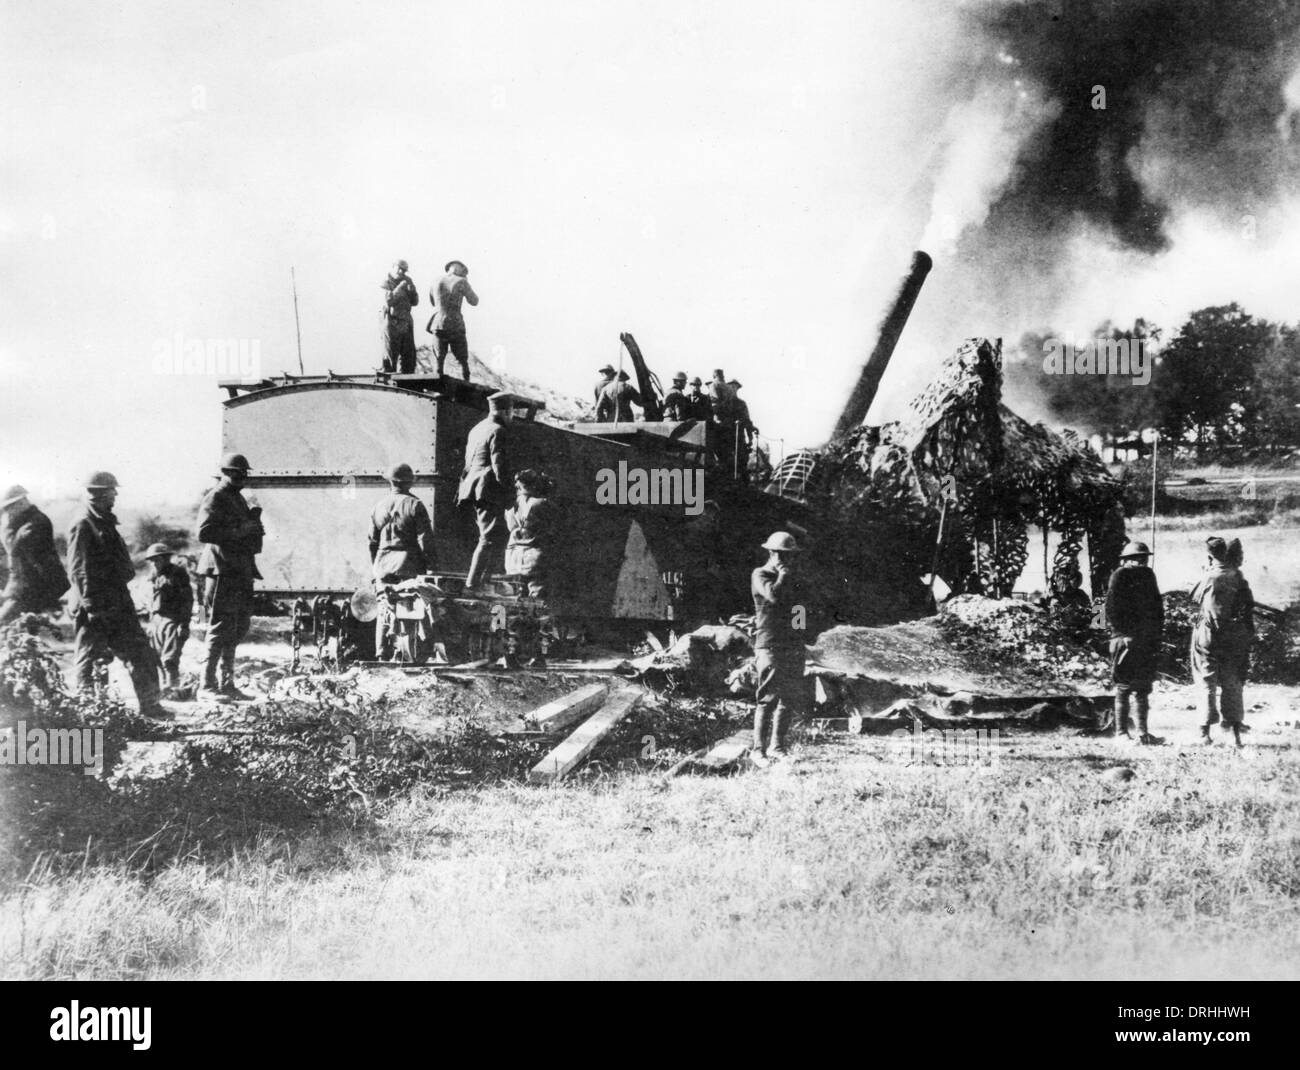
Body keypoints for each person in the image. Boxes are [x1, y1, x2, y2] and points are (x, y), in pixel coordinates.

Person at [67, 472, 169, 718]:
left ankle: (151, 706)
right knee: (93, 661)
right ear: (100, 493)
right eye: (112, 490)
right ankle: (91, 713)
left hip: (117, 602)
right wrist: (93, 609)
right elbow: (79, 571)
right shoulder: (83, 524)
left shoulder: (104, 521)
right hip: (94, 605)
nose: (116, 494)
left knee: (140, 653)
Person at [195, 453, 264, 704]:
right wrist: (241, 530)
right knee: (220, 627)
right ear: (224, 472)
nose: (241, 477)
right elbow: (204, 533)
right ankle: (206, 685)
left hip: (239, 569)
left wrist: (254, 526)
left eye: (243, 474)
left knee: (237, 627)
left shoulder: (237, 499)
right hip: (222, 569)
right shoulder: (216, 497)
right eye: (235, 473)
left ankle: (227, 684)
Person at [750, 531, 810, 766]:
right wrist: (783, 576)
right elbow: (773, 596)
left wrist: (802, 635)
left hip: (792, 645)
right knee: (768, 698)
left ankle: (777, 747)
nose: (787, 560)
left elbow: (799, 610)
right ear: (772, 553)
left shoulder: (792, 578)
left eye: (791, 556)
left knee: (788, 698)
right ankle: (758, 750)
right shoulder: (760, 574)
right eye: (783, 555)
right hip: (770, 644)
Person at [1191, 536, 1255, 746]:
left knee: (1206, 680)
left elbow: (1194, 597)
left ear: (1210, 555)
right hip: (1233, 634)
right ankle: (1233, 731)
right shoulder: (1237, 576)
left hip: (1209, 634)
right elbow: (1248, 604)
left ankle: (1204, 732)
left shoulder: (1209, 576)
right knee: (1232, 681)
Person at [1104, 541, 1163, 744]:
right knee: (1123, 686)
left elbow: (1157, 607)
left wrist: (1156, 635)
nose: (1141, 561)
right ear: (1126, 559)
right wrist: (1125, 634)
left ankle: (1142, 733)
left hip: (1146, 640)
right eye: (1137, 558)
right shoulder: (1119, 576)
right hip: (1124, 639)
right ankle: (1121, 732)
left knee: (1143, 687)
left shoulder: (1148, 576)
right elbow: (1111, 609)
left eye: (1144, 558)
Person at [458, 392, 514, 589]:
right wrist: (511, 493)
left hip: (472, 488)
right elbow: (499, 466)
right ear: (507, 411)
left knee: (491, 534)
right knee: (489, 537)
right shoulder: (499, 430)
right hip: (487, 490)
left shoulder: (476, 429)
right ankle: (473, 583)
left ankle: (485, 578)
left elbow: (467, 464)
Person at [0, 484, 69, 624]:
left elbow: (17, 550)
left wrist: (6, 527)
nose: (8, 511)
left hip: (31, 588)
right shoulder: (21, 522)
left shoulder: (36, 522)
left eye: (11, 507)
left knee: (4, 623)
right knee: (23, 633)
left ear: (23, 502)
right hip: (24, 588)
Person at [143, 543, 193, 697]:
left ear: (165, 559)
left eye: (156, 560)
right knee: (156, 658)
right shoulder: (154, 576)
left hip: (173, 620)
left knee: (169, 660)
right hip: (157, 621)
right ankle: (164, 689)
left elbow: (188, 600)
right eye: (151, 560)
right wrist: (151, 623)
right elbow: (152, 600)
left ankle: (173, 690)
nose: (153, 563)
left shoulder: (177, 574)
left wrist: (184, 624)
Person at [505, 469, 558, 598]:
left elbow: (511, 527)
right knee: (537, 593)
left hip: (515, 555)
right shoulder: (543, 503)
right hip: (535, 554)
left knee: (518, 593)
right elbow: (553, 526)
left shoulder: (513, 505)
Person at [429, 259, 479, 381]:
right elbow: (474, 301)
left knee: (439, 358)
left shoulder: (435, 281)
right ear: (458, 268)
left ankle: (437, 382)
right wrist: (466, 283)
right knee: (462, 359)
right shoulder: (462, 281)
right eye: (463, 270)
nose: (464, 273)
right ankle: (466, 382)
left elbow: (432, 301)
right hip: (455, 323)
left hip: (438, 322)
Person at [380, 260, 419, 374]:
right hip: (391, 321)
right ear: (393, 267)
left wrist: (412, 292)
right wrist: (400, 287)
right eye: (399, 268)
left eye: (404, 270)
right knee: (391, 353)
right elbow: (388, 301)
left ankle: (407, 381)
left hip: (406, 322)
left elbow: (415, 302)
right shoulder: (386, 282)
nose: (401, 272)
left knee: (409, 355)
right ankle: (390, 376)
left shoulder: (408, 281)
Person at [727, 379, 757, 482]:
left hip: (739, 435)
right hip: (725, 435)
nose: (733, 389)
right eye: (731, 387)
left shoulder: (741, 404)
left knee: (742, 459)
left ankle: (744, 484)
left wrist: (750, 437)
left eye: (735, 387)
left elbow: (747, 420)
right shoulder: (723, 402)